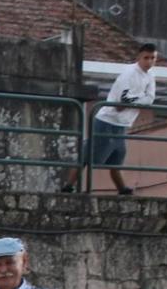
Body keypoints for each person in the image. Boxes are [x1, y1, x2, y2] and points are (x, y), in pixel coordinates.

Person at [64, 44, 157, 196]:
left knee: (117, 156)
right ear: (138, 58)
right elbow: (121, 103)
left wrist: (135, 100)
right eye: (146, 58)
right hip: (108, 120)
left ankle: (121, 188)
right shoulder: (129, 73)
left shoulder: (150, 76)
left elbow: (150, 98)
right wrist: (140, 99)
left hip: (123, 123)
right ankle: (68, 186)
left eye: (152, 58)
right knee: (89, 156)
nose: (149, 61)